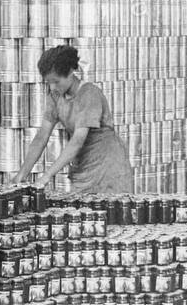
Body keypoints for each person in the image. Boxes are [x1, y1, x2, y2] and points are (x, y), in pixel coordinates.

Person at [13, 44, 134, 194]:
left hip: (108, 166)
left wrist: (46, 177)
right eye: (48, 82)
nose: (52, 87)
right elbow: (41, 137)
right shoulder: (56, 96)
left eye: (56, 81)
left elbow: (77, 141)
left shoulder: (89, 94)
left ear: (71, 73)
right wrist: (21, 174)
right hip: (83, 164)